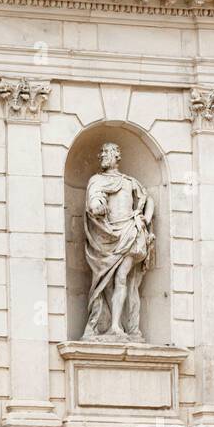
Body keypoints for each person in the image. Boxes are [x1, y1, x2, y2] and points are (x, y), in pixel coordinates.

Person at [82, 141, 155, 341]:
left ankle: (117, 326)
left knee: (122, 277)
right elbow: (94, 199)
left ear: (116, 156)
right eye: (101, 152)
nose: (102, 156)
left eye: (106, 152)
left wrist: (144, 219)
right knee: (105, 283)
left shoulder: (129, 181)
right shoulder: (96, 180)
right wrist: (97, 207)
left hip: (129, 233)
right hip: (106, 238)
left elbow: (149, 200)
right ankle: (107, 323)